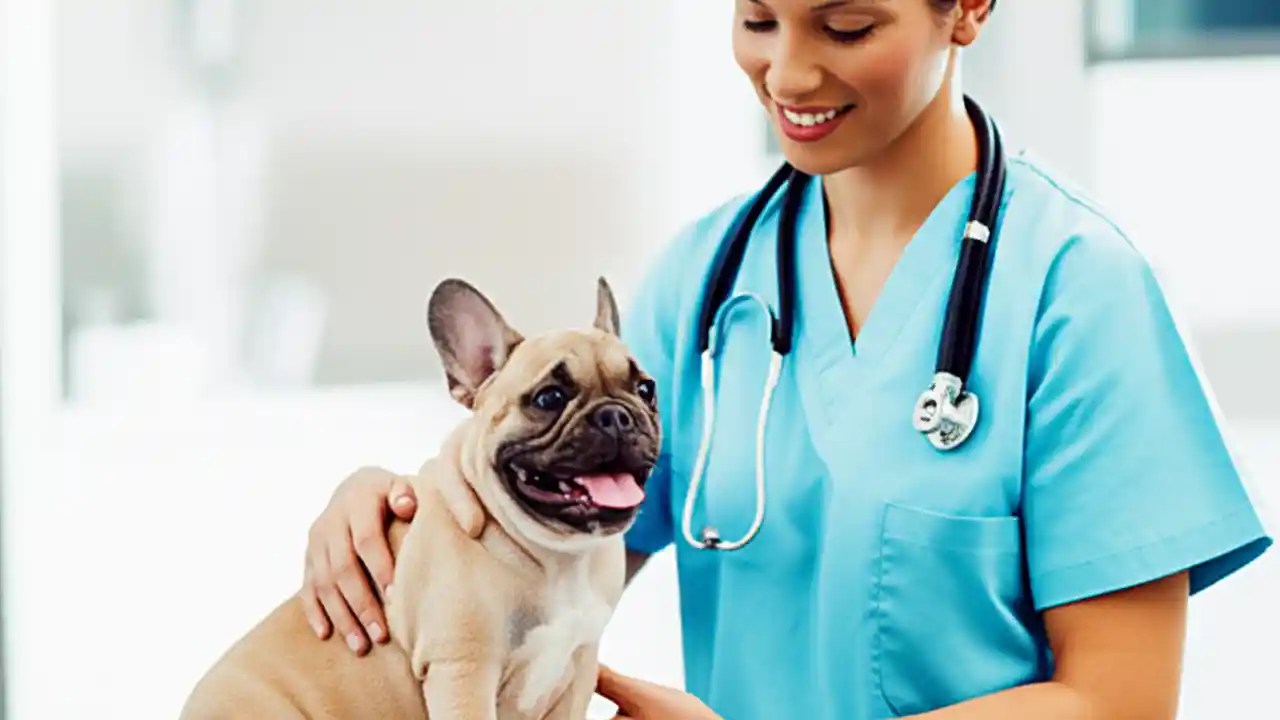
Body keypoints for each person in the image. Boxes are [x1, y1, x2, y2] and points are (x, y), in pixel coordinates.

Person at [298, 1, 1274, 718]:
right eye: (757, 18)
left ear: (968, 8)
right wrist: (394, 510)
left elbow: (1117, 701)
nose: (787, 75)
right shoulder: (701, 284)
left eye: (845, 27)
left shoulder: (1075, 292)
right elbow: (558, 554)